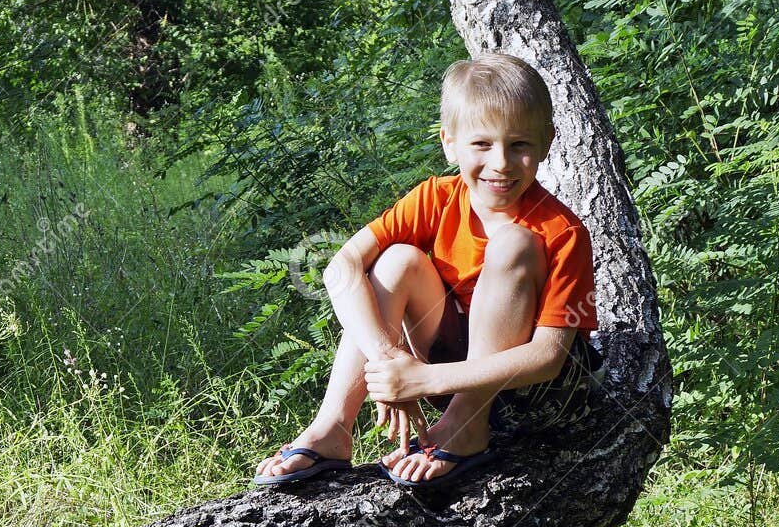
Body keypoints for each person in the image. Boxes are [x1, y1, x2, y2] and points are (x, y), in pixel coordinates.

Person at [252, 52, 603, 491]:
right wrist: (390, 362)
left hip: (537, 396)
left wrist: (425, 379)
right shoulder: (434, 197)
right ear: (449, 142)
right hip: (452, 375)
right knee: (398, 259)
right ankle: (333, 430)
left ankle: (465, 428)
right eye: (481, 144)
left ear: (547, 142)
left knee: (512, 242)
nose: (501, 163)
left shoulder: (561, 230)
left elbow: (548, 359)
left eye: (519, 145)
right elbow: (339, 268)